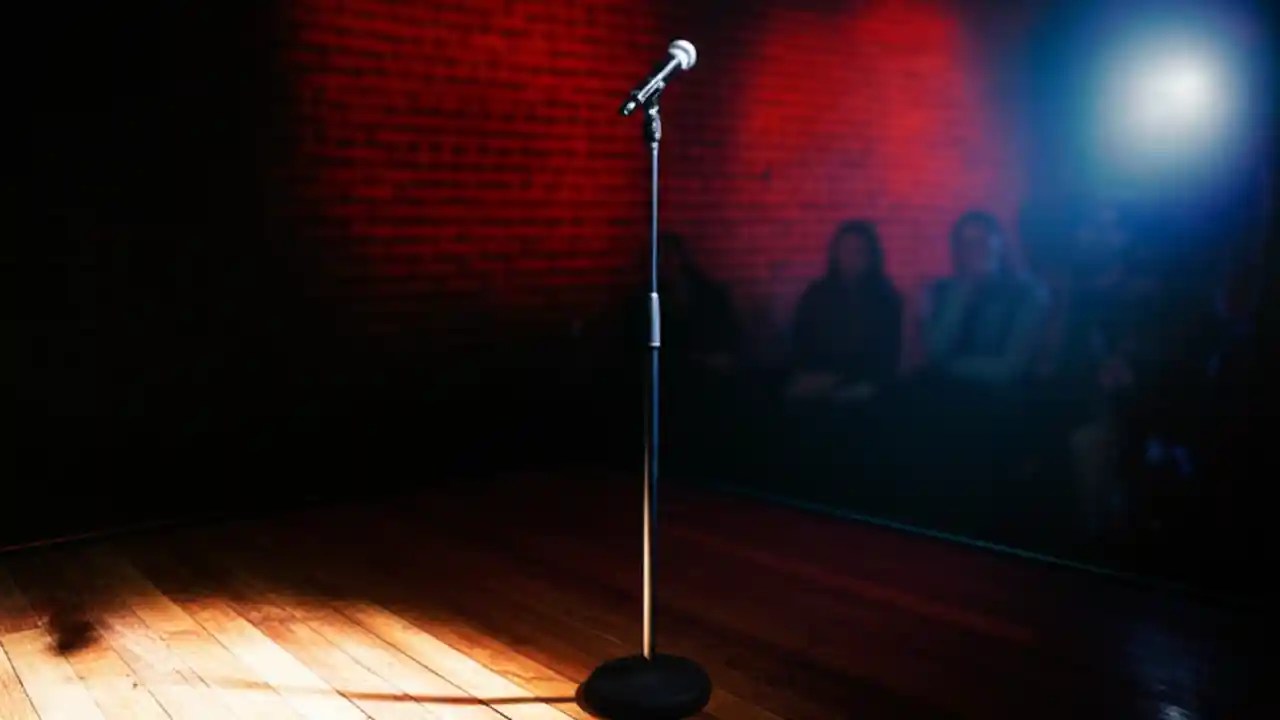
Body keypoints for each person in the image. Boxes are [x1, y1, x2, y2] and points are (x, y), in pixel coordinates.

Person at [921, 211, 1048, 386]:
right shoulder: (947, 290)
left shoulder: (1028, 293)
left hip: (1000, 396)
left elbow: (1011, 368)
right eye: (966, 244)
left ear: (999, 244)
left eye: (982, 241)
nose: (975, 250)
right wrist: (962, 295)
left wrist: (949, 367)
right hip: (947, 391)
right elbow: (936, 350)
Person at [786, 220, 903, 403]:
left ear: (871, 256)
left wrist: (841, 378)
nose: (850, 257)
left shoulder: (885, 299)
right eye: (844, 250)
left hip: (866, 385)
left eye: (858, 251)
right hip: (818, 380)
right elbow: (801, 342)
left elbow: (885, 356)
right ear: (835, 253)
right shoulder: (816, 294)